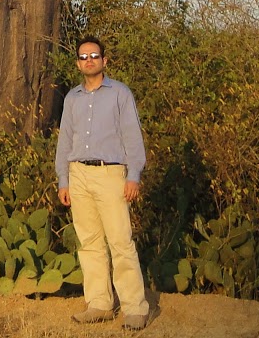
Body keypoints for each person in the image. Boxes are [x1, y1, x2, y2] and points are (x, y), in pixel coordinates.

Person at [55, 36, 154, 328]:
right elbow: (64, 141)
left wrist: (133, 175)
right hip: (78, 175)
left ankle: (135, 307)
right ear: (77, 63)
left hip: (110, 174)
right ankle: (99, 303)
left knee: (120, 241)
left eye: (94, 56)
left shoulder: (120, 94)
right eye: (84, 57)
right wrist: (64, 179)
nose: (89, 61)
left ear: (104, 61)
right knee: (89, 243)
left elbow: (132, 138)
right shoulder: (71, 98)